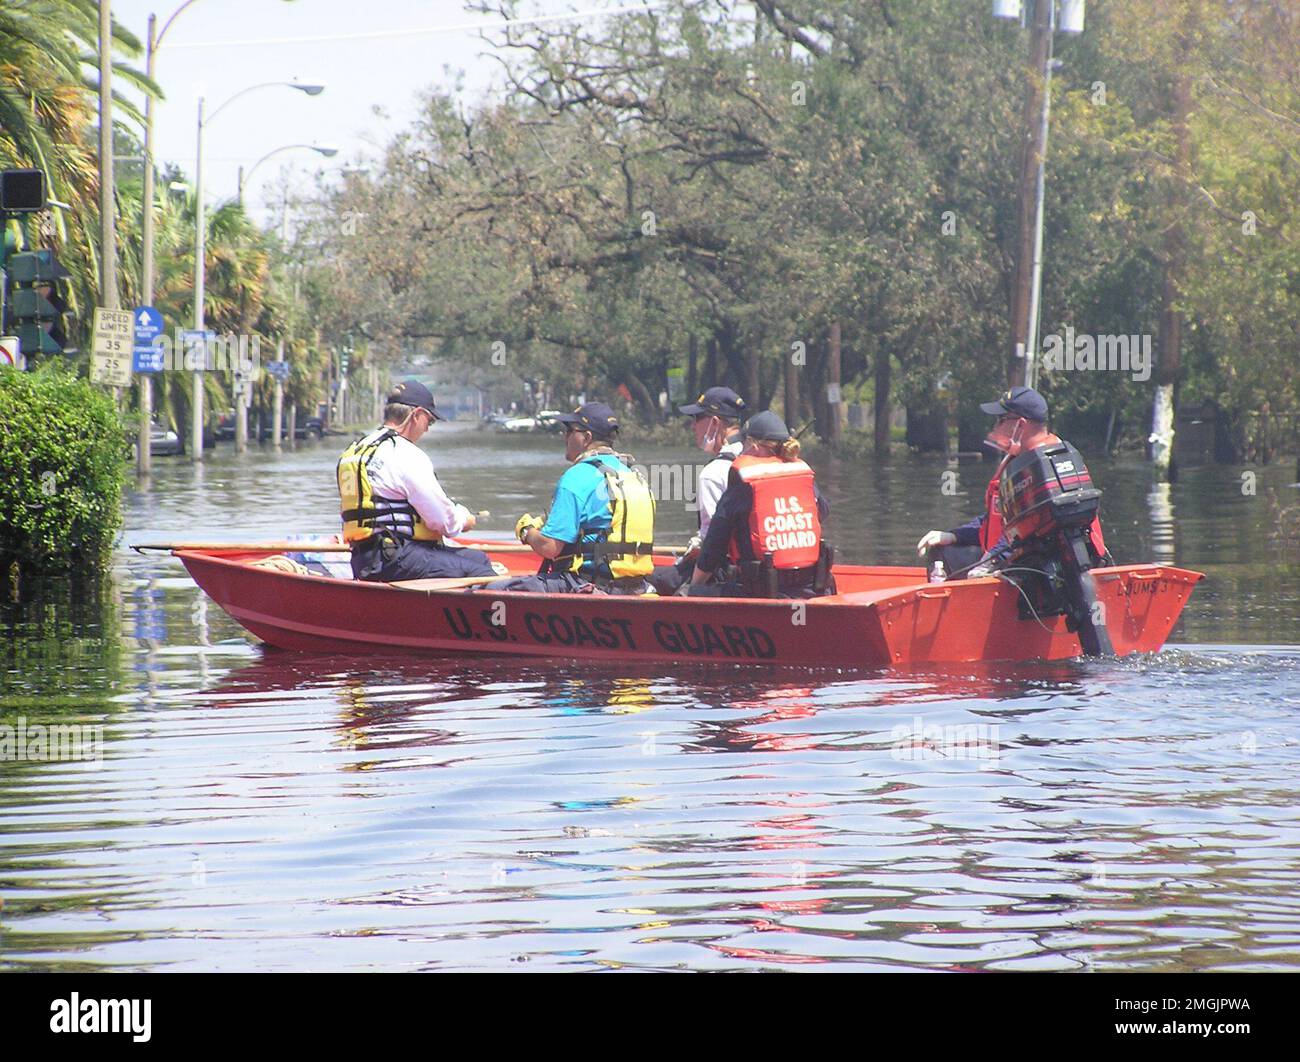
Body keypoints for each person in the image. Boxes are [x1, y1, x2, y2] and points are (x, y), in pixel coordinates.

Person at [915, 386, 1108, 578]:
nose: (995, 427)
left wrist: (992, 561)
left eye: (1001, 420)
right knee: (941, 550)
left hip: (1040, 574)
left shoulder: (1048, 465)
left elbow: (1030, 532)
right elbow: (998, 520)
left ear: (1021, 425)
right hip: (1009, 562)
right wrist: (954, 535)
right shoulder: (1019, 462)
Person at [337, 380, 494, 582]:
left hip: (363, 558)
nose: (427, 429)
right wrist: (465, 520)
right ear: (416, 414)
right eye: (429, 421)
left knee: (478, 558)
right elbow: (442, 521)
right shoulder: (405, 454)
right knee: (481, 574)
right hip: (396, 558)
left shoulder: (356, 450)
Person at [493, 401, 656, 594]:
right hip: (636, 587)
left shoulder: (577, 476)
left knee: (493, 588)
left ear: (586, 437)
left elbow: (549, 547)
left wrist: (526, 531)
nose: (565, 436)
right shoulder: (632, 473)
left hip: (586, 585)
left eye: (570, 430)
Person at [685, 410, 834, 598]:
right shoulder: (802, 474)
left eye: (745, 443)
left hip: (763, 592)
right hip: (812, 587)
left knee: (695, 591)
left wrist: (694, 587)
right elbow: (822, 511)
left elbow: (715, 544)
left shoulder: (745, 480)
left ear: (755, 447)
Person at [647, 386, 747, 595]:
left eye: (697, 418)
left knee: (651, 579)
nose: (692, 426)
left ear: (715, 422)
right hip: (760, 568)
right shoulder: (760, 457)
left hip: (724, 574)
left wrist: (694, 587)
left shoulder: (713, 472)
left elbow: (714, 544)